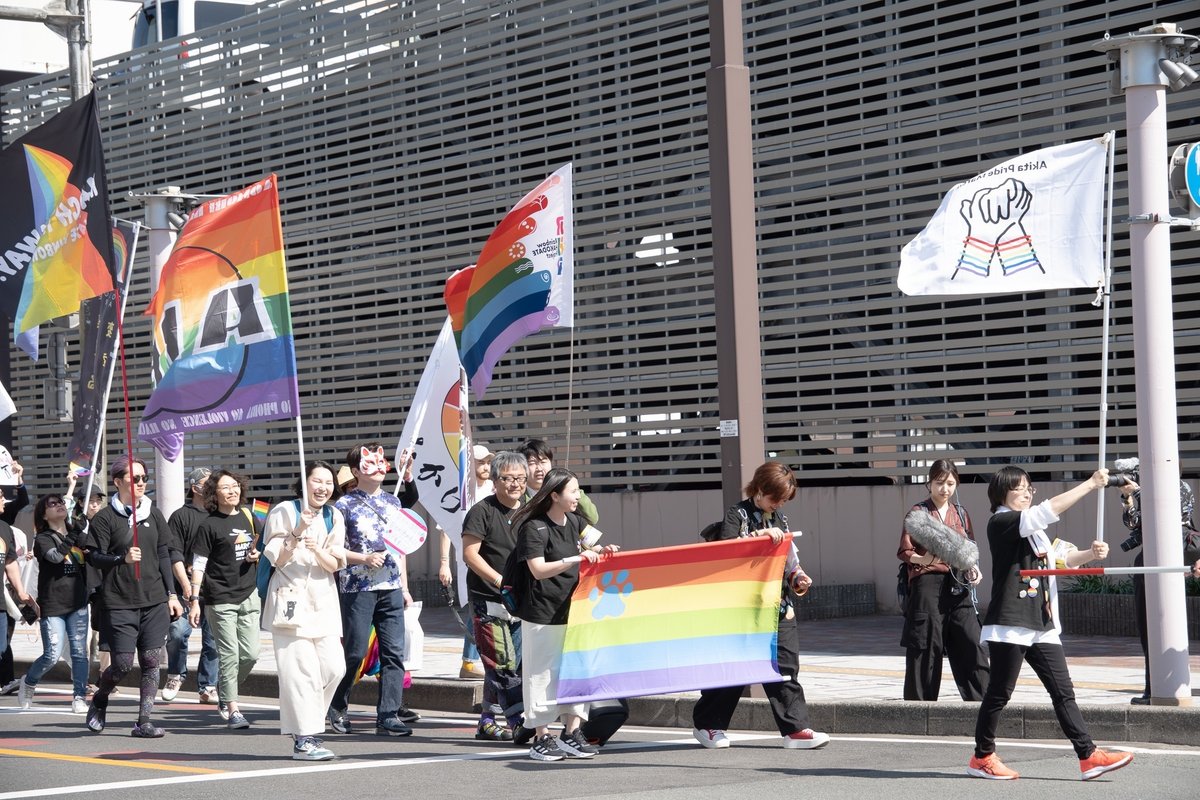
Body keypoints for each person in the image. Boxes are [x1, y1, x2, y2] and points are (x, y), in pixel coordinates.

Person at [968, 466, 1133, 781]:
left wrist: (1090, 554)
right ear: (1002, 493)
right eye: (1018, 488)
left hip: (1042, 622)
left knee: (1063, 691)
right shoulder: (1001, 522)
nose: (1026, 493)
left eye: (1029, 488)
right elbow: (1049, 510)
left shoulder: (1035, 531)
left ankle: (1088, 756)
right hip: (1011, 621)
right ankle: (982, 757)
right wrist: (1090, 484)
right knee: (999, 693)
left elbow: (1063, 560)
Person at [691, 461, 829, 751]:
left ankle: (795, 729)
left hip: (777, 604)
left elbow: (789, 560)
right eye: (775, 498)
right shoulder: (737, 514)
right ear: (759, 489)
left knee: (785, 666)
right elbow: (726, 553)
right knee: (733, 667)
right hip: (741, 607)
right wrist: (758, 536)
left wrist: (798, 577)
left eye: (784, 500)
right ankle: (708, 724)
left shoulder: (781, 519)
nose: (779, 504)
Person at [512, 467, 618, 762]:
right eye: (573, 491)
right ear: (555, 495)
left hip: (575, 609)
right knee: (541, 674)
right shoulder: (533, 527)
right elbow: (538, 569)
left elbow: (594, 544)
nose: (578, 496)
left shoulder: (575, 521)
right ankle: (541, 737)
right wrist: (575, 558)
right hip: (541, 612)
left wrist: (604, 550)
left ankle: (572, 733)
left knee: (578, 670)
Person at [84, 456, 183, 738]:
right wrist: (121, 558)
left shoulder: (153, 514)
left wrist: (172, 594)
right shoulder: (105, 518)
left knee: (151, 661)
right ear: (118, 482)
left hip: (154, 601)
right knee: (123, 665)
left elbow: (164, 553)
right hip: (119, 602)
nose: (141, 483)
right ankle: (100, 697)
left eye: (144, 478)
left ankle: (143, 722)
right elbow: (94, 557)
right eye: (135, 478)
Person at [328, 442, 417, 737]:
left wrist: (404, 587)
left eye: (382, 462)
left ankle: (389, 714)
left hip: (390, 586)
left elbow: (401, 547)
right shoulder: (343, 506)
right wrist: (363, 558)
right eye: (370, 463)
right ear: (356, 471)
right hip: (357, 587)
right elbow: (334, 548)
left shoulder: (393, 502)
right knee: (354, 652)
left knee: (394, 653)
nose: (378, 468)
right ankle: (337, 704)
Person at [263, 462, 347, 761]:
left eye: (328, 482)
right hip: (290, 600)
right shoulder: (284, 511)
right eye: (317, 481)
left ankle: (307, 723)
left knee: (334, 668)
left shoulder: (334, 515)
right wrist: (298, 531)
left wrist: (317, 549)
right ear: (304, 481)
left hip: (324, 602)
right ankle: (304, 738)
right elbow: (277, 559)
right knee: (300, 673)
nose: (323, 487)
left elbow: (335, 563)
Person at [897, 459, 990, 701]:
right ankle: (919, 708)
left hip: (958, 584)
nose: (945, 489)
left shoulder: (961, 514)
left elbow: (969, 550)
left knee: (971, 642)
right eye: (939, 483)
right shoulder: (918, 513)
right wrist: (923, 558)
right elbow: (904, 552)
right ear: (929, 483)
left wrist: (973, 569)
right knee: (926, 646)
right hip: (926, 585)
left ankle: (984, 706)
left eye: (950, 483)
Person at [1115, 463, 1200, 704]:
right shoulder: (1147, 492)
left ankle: (1161, 687)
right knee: (1147, 625)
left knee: (1165, 622)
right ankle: (1151, 687)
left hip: (1172, 553)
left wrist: (1138, 491)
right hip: (1150, 555)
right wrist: (1128, 499)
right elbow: (1134, 524)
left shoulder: (1179, 486)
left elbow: (1166, 514)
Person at [461, 450, 529, 741]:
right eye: (508, 478)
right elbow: (469, 554)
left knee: (510, 665)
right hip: (488, 599)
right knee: (502, 664)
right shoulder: (482, 511)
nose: (516, 484)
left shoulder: (531, 510)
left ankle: (487, 720)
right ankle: (518, 721)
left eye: (521, 478)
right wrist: (500, 581)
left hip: (522, 602)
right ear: (494, 479)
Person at [188, 469, 262, 730]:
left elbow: (257, 547)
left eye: (235, 486)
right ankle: (233, 709)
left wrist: (255, 555)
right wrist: (194, 599)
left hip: (249, 594)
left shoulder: (248, 516)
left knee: (251, 654)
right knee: (229, 655)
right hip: (220, 599)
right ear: (214, 494)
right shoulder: (209, 525)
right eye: (225, 488)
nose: (233, 491)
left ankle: (224, 688)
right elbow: (199, 564)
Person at [18, 494, 89, 713]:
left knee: (79, 653)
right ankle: (29, 681)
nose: (59, 505)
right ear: (44, 514)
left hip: (78, 602)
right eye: (53, 504)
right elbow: (56, 557)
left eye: (61, 502)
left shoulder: (77, 534)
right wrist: (74, 534)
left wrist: (83, 529)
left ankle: (79, 696)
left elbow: (94, 553)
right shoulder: (43, 539)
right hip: (53, 605)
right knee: (52, 654)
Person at [163, 467, 220, 704]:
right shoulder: (180, 516)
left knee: (213, 640)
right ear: (195, 487)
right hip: (184, 588)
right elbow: (174, 553)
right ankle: (175, 674)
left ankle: (208, 686)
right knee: (177, 632)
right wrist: (186, 586)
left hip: (214, 588)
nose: (213, 486)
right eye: (208, 483)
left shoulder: (220, 515)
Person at [519, 439, 598, 525]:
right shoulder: (518, 496)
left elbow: (592, 518)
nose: (539, 468)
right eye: (532, 463)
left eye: (543, 461)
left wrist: (573, 489)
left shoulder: (561, 490)